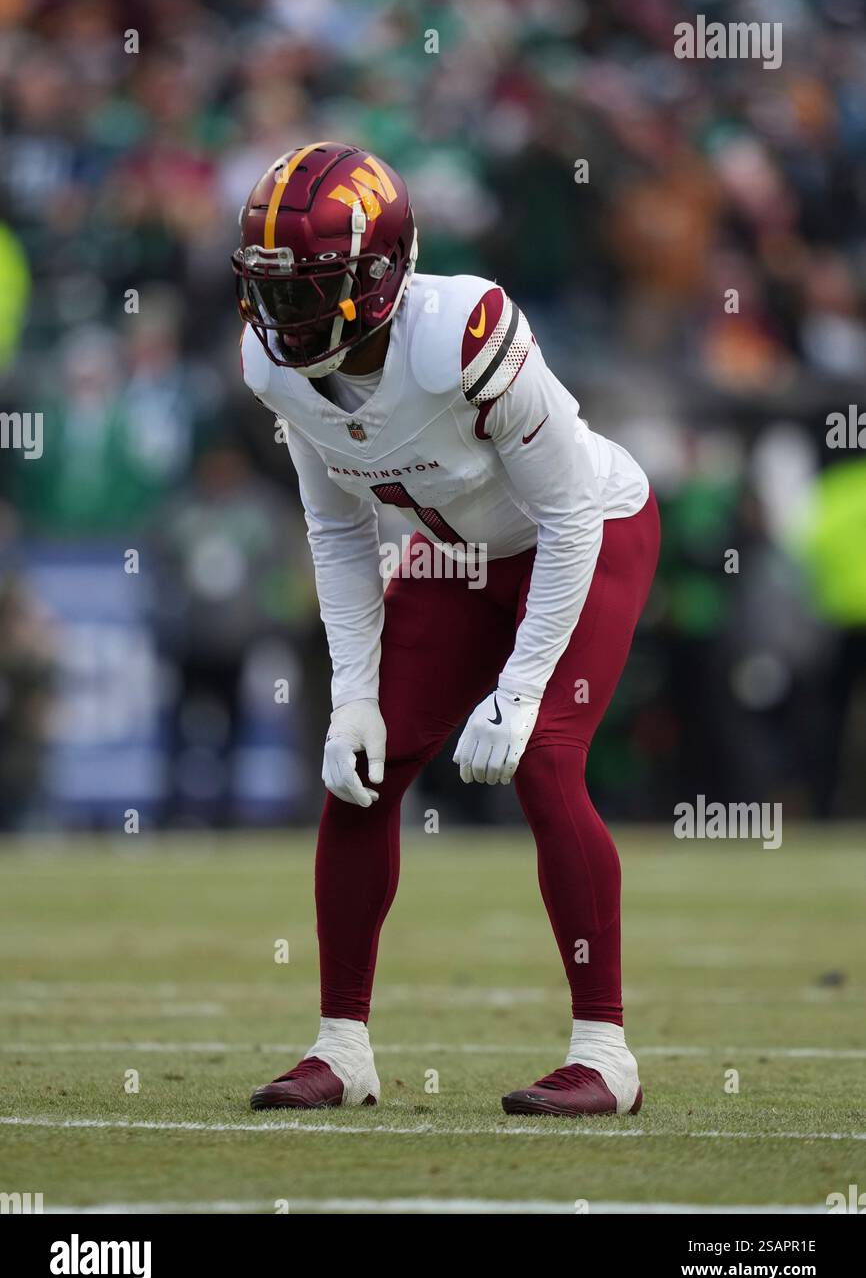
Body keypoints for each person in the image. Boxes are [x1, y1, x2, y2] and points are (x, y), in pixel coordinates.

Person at [234, 142, 660, 1117]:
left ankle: (605, 1055)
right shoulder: (272, 364)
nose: (280, 318)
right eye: (272, 290)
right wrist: (350, 698)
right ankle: (340, 1048)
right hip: (452, 551)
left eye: (307, 290)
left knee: (545, 757)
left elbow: (567, 519)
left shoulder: (461, 333)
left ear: (378, 277)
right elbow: (336, 527)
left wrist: (516, 690)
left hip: (587, 531)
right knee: (361, 766)